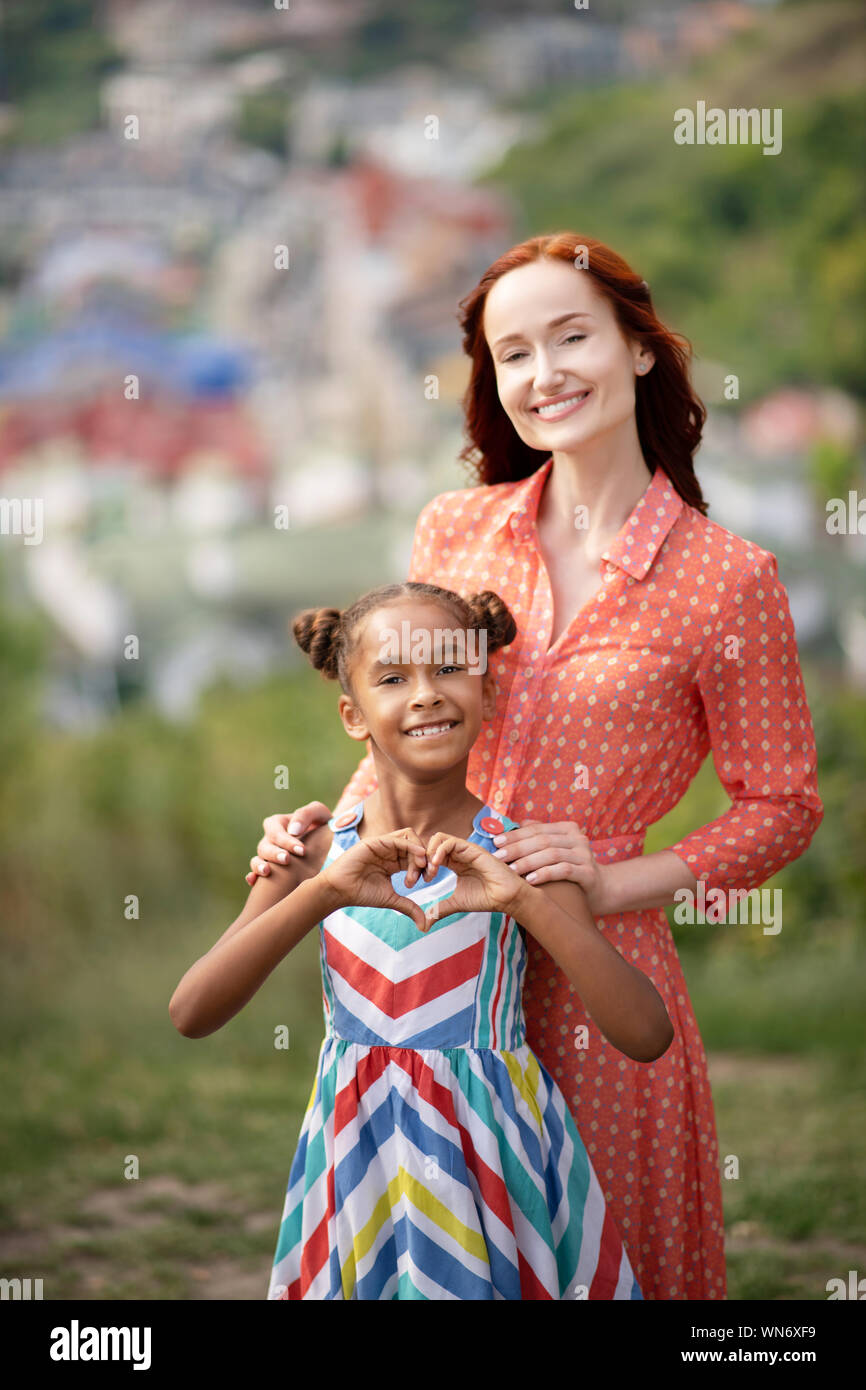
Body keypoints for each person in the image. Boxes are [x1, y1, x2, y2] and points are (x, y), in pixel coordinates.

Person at [245, 233, 824, 1299]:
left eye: (570, 337)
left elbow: (780, 805)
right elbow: (405, 735)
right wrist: (322, 836)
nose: (542, 373)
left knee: (597, 1264)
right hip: (440, 971)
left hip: (603, 973)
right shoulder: (455, 527)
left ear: (638, 350)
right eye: (512, 353)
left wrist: (613, 880)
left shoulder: (726, 580)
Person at [170, 581, 674, 1299]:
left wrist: (525, 902)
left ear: (487, 692)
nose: (427, 694)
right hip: (359, 1159)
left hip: (492, 1166)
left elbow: (646, 1034)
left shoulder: (526, 857)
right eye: (394, 677)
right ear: (353, 714)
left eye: (448, 668)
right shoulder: (313, 854)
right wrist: (321, 893)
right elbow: (192, 1011)